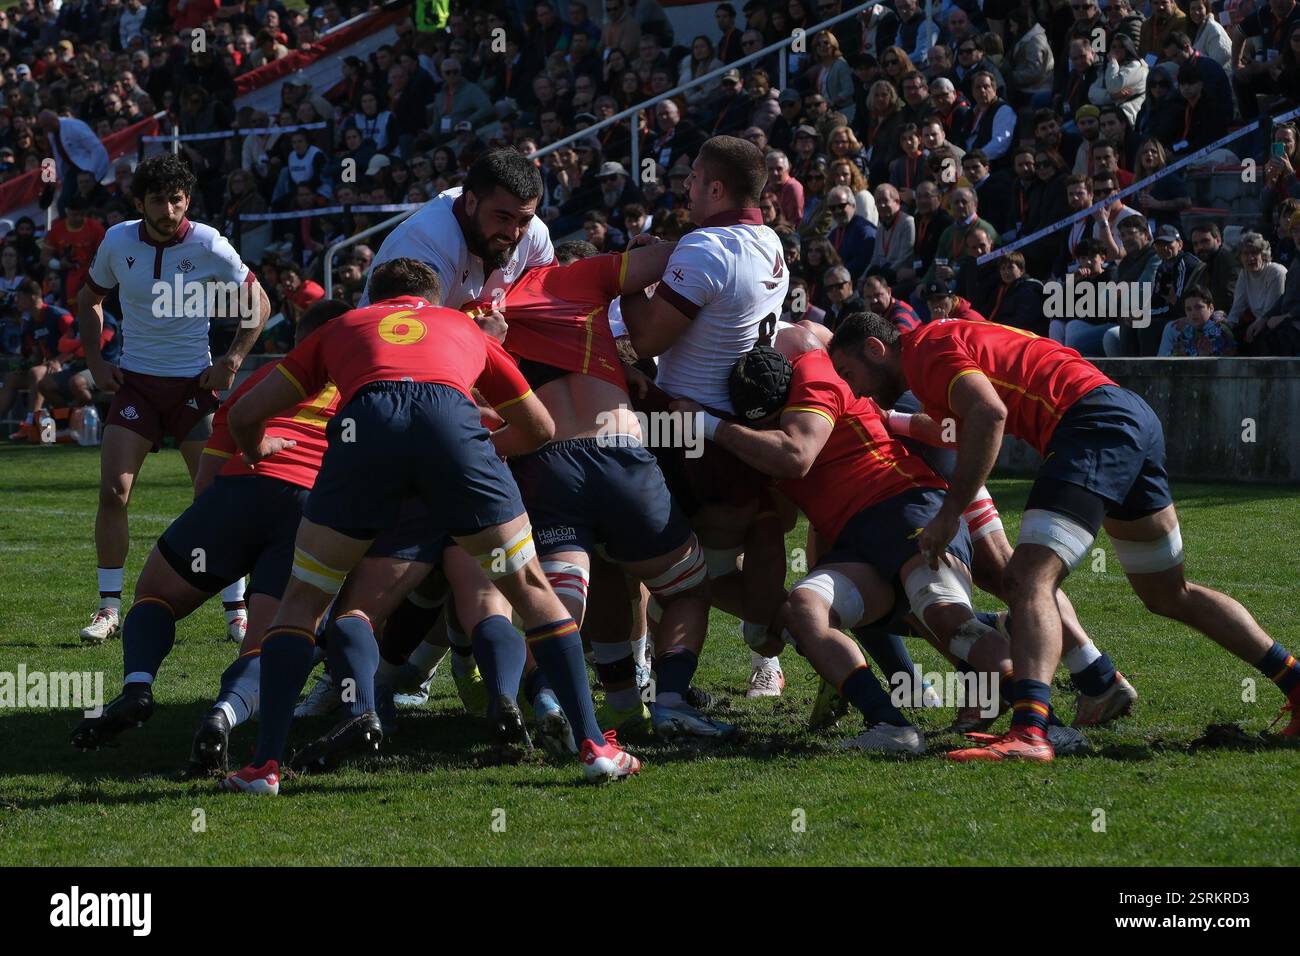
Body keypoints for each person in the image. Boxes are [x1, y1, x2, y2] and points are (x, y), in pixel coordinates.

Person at [221, 258, 640, 793]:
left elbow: (243, 413)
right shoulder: (460, 326)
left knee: (303, 600)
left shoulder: (341, 326)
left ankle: (264, 766)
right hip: (452, 428)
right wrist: (471, 454)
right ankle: (595, 747)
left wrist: (258, 448)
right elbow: (539, 426)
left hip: (367, 429)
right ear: (434, 299)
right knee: (529, 589)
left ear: (373, 299)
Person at [831, 315, 1300, 760]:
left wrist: (951, 511)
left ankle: (1031, 731)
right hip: (1124, 415)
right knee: (1169, 593)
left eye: (851, 373)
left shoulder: (925, 351)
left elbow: (988, 414)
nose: (853, 388)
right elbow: (953, 427)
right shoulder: (938, 348)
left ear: (877, 348)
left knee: (1027, 579)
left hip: (1088, 425)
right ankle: (1295, 683)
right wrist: (887, 421)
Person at [685, 340, 1002, 754]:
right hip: (855, 541)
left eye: (778, 420)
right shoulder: (757, 432)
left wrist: (710, 427)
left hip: (907, 505)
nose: (773, 430)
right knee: (806, 607)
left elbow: (796, 455)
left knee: (942, 611)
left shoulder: (817, 369)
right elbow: (782, 516)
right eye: (765, 425)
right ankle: (889, 723)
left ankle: (1038, 717)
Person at [69, 300, 350, 763]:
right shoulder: (367, 387)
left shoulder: (265, 380)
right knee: (267, 640)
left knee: (156, 595)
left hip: (240, 490)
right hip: (311, 509)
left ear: (303, 341)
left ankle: (139, 687)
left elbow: (206, 481)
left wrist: (224, 538)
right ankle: (222, 715)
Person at [621, 135, 794, 721]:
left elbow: (644, 339)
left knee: (657, 563)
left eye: (694, 178)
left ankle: (644, 679)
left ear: (716, 187)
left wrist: (634, 284)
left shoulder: (708, 249)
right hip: (736, 434)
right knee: (718, 567)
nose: (686, 187)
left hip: (685, 435)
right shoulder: (768, 240)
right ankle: (776, 639)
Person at [76, 154, 270, 646]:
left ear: (188, 201)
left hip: (193, 389)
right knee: (113, 492)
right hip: (136, 385)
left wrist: (230, 360)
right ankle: (108, 608)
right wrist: (98, 363)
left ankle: (235, 610)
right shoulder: (118, 240)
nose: (170, 209)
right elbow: (89, 299)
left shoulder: (208, 242)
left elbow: (259, 302)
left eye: (178, 199)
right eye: (159, 199)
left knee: (215, 500)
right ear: (139, 201)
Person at [365, 150, 555, 313]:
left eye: (524, 221)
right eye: (502, 218)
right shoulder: (422, 246)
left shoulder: (533, 228)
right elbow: (407, 344)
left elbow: (552, 291)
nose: (513, 233)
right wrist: (480, 339)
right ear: (471, 202)